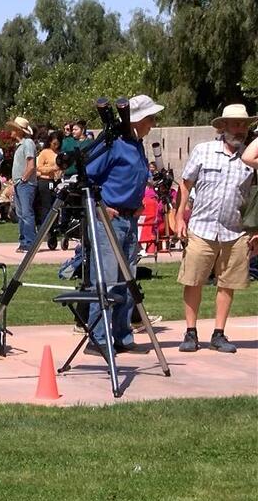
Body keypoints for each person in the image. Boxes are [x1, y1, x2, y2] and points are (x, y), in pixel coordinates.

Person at [83, 94, 164, 357]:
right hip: (110, 217)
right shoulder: (113, 144)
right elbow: (87, 178)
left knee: (127, 280)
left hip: (129, 218)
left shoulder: (136, 144)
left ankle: (121, 334)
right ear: (137, 119)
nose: (153, 122)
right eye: (150, 118)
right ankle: (98, 337)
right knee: (106, 280)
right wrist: (100, 207)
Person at [175, 104, 256, 354]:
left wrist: (255, 229)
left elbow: (256, 197)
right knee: (193, 280)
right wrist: (179, 216)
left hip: (235, 231)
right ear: (222, 127)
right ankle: (190, 332)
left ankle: (219, 334)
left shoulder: (250, 157)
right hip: (202, 227)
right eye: (235, 124)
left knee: (227, 283)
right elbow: (186, 184)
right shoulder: (204, 150)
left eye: (243, 125)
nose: (240, 129)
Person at [8, 116, 37, 252]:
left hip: (25, 184)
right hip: (19, 183)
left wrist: (24, 179)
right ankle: (23, 241)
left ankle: (30, 242)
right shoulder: (19, 145)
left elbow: (30, 165)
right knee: (20, 214)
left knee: (26, 213)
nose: (11, 131)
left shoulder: (28, 143)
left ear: (19, 131)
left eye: (14, 129)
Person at [35, 131, 63, 230]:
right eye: (54, 143)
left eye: (58, 144)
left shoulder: (59, 153)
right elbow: (39, 167)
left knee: (55, 204)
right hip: (45, 181)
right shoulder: (45, 152)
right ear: (50, 142)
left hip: (56, 181)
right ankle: (44, 227)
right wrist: (52, 169)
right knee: (46, 205)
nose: (55, 146)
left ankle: (54, 226)